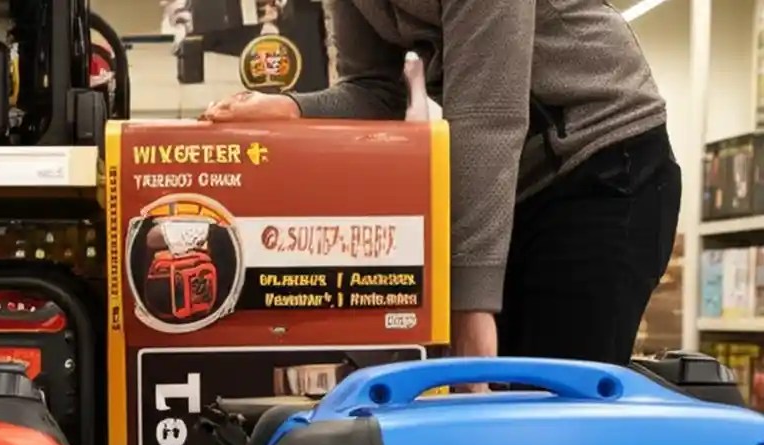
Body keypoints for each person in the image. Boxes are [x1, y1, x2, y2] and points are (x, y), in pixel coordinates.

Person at [203, 0, 681, 367]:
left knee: (555, 411)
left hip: (604, 166)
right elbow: (375, 87)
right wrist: (293, 108)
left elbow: (486, 115)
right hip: (513, 190)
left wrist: (469, 304)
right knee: (499, 413)